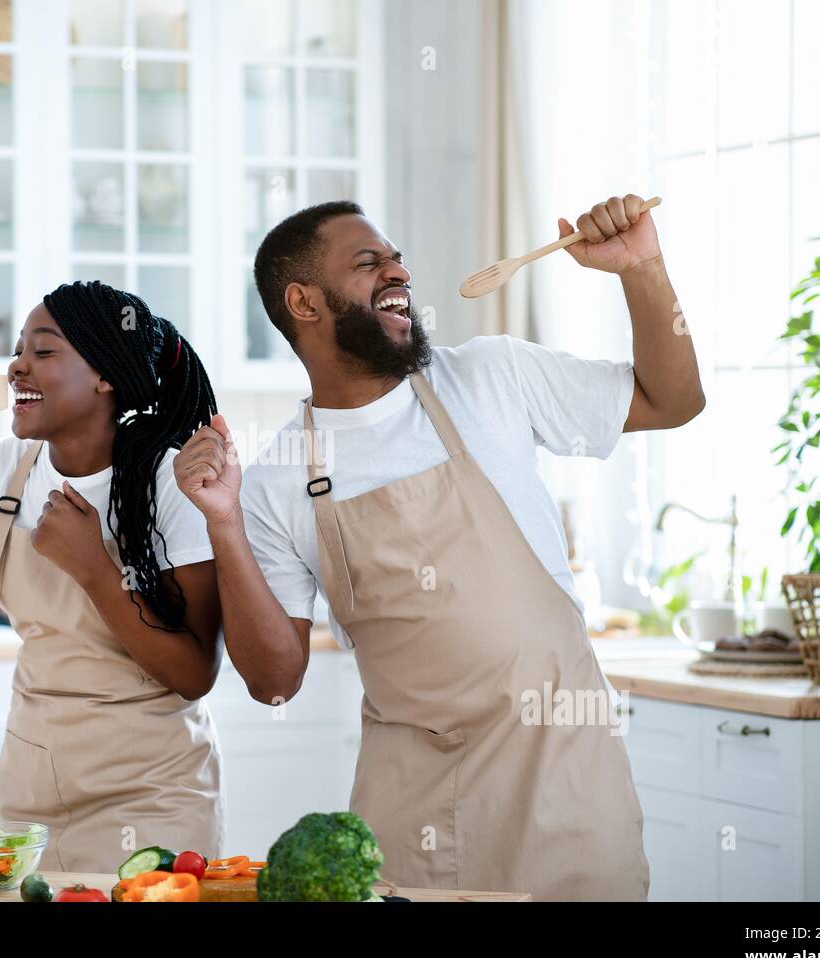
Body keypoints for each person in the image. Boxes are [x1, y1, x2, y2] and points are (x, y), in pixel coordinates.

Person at [174, 195, 704, 899]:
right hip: (416, 818)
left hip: (570, 792)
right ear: (303, 300)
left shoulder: (491, 377)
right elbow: (274, 679)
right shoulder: (276, 480)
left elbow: (674, 401)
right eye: (370, 263)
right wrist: (223, 524)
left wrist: (642, 269)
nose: (399, 271)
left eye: (396, 257)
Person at [0, 280, 224, 872]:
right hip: (32, 797)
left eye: (43, 352)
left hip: (154, 798)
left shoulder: (172, 483)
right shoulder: (10, 469)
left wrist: (95, 570)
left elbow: (194, 672)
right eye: (17, 351)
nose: (15, 369)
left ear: (105, 374)